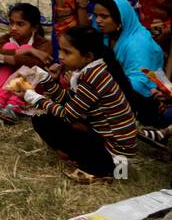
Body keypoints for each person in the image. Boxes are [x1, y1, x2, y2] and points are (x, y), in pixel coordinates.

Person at [11, 25, 139, 183]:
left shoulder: (94, 77)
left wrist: (35, 98)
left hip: (115, 152)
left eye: (67, 52)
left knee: (50, 121)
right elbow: (68, 100)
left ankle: (99, 169)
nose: (61, 56)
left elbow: (68, 115)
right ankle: (80, 157)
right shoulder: (90, 71)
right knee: (42, 119)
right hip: (104, 138)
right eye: (61, 50)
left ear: (88, 56)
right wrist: (47, 80)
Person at [93, 0, 166, 126]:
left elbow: (140, 82)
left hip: (142, 101)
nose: (97, 20)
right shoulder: (108, 36)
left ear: (120, 18)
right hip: (117, 91)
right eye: (96, 15)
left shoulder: (137, 44)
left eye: (104, 16)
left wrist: (101, 87)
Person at [0, 3, 53, 122]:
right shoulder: (4, 39)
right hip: (3, 85)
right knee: (9, 49)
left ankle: (13, 106)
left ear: (34, 28)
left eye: (20, 24)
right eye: (11, 23)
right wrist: (26, 52)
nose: (14, 28)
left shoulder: (43, 43)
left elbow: (38, 65)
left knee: (31, 68)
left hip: (31, 87)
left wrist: (2, 57)